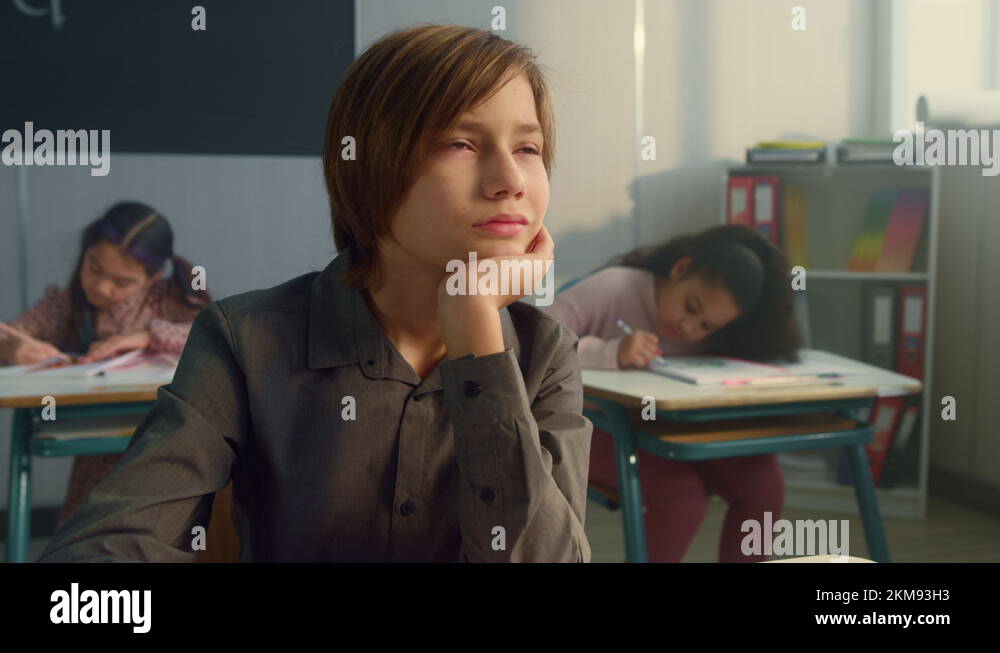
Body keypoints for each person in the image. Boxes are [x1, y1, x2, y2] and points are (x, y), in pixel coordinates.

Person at [38, 24, 592, 563]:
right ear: (369, 165)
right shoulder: (248, 340)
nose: (510, 180)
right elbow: (113, 541)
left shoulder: (545, 355)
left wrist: (474, 326)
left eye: (527, 148)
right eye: (461, 143)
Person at [546, 224, 801, 562]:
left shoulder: (717, 329)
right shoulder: (617, 285)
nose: (689, 329)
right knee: (682, 498)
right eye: (691, 307)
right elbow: (534, 344)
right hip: (591, 425)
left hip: (665, 428)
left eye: (707, 326)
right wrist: (611, 352)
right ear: (680, 269)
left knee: (764, 483)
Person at [0, 201, 210, 527]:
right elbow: (9, 334)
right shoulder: (65, 305)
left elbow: (210, 336)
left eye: (122, 282)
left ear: (153, 277)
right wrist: (13, 345)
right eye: (94, 268)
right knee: (88, 534)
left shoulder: (171, 301)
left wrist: (145, 335)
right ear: (85, 252)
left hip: (166, 449)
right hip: (94, 457)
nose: (101, 287)